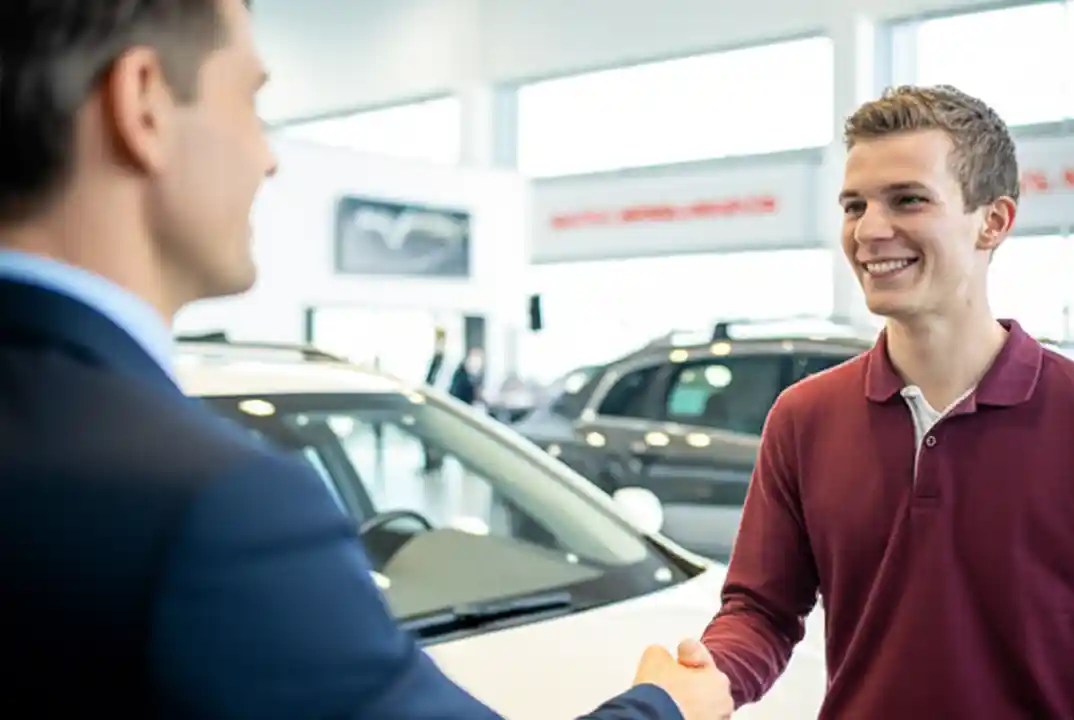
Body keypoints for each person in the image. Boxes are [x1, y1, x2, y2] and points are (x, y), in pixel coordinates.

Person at [0, 2, 731, 719]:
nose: (269, 158)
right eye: (251, 102)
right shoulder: (219, 508)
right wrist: (667, 707)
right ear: (144, 103)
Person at [675, 85, 1074, 718]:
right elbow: (762, 610)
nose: (869, 230)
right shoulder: (803, 418)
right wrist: (708, 678)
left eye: (908, 200)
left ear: (994, 221)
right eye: (854, 206)